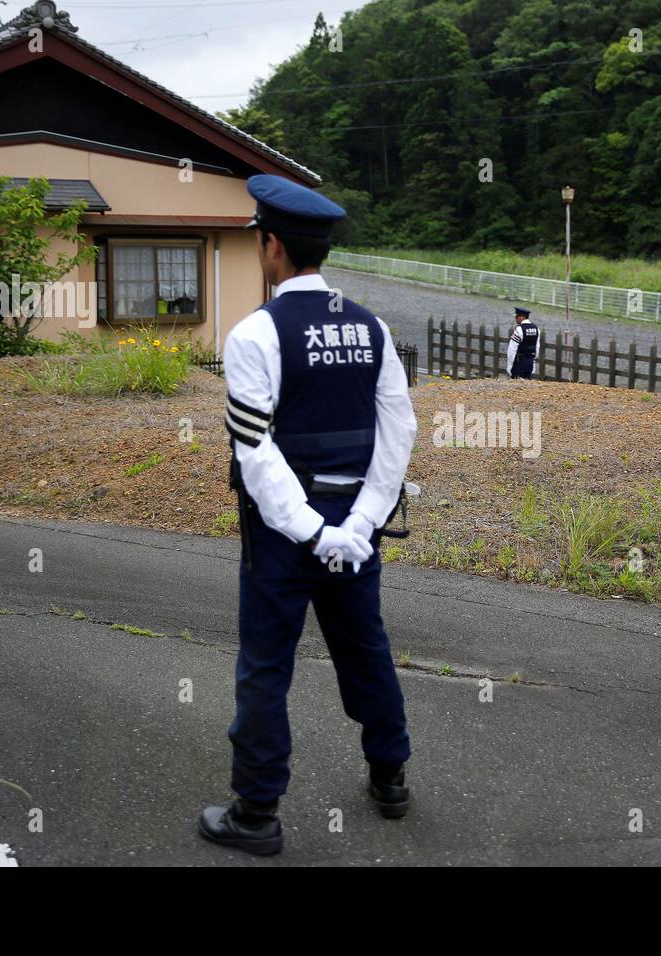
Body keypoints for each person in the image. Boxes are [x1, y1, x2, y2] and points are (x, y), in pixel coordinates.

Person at [198, 174, 418, 856]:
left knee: (266, 665)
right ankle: (390, 780)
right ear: (320, 251)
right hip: (357, 533)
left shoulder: (255, 334)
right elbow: (398, 435)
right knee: (366, 652)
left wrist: (312, 531)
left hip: (284, 539)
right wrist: (356, 528)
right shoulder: (372, 327)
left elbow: (256, 450)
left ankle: (257, 815)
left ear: (271, 247)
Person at [506, 306, 540, 379]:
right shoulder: (536, 328)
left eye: (517, 317)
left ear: (522, 317)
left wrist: (510, 368)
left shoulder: (519, 329)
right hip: (530, 362)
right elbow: (537, 347)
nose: (515, 319)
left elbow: (512, 350)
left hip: (519, 363)